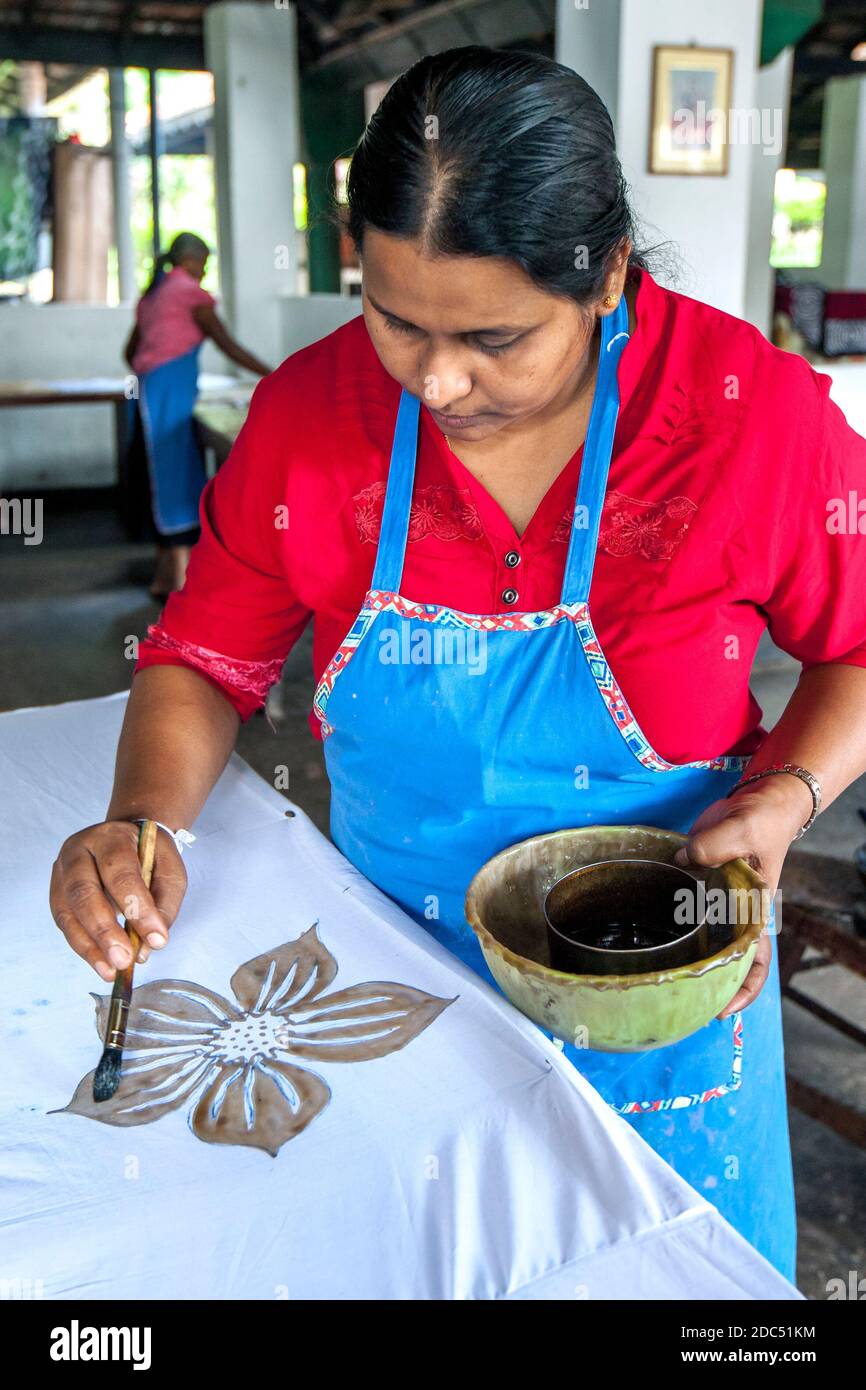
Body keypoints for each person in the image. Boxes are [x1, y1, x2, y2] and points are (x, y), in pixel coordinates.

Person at [51, 48, 866, 1285]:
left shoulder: (745, 416)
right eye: (393, 318)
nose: (434, 380)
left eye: (493, 337)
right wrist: (140, 824)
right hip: (393, 998)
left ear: (603, 279)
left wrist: (781, 795)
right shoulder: (310, 418)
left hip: (664, 1016)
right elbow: (202, 658)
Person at [123, 231, 271, 598]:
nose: (204, 272)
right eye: (204, 264)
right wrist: (275, 375)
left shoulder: (154, 294)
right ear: (192, 261)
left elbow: (130, 352)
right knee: (174, 475)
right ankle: (180, 574)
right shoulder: (190, 294)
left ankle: (164, 572)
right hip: (168, 398)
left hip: (146, 395)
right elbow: (226, 344)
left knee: (157, 476)